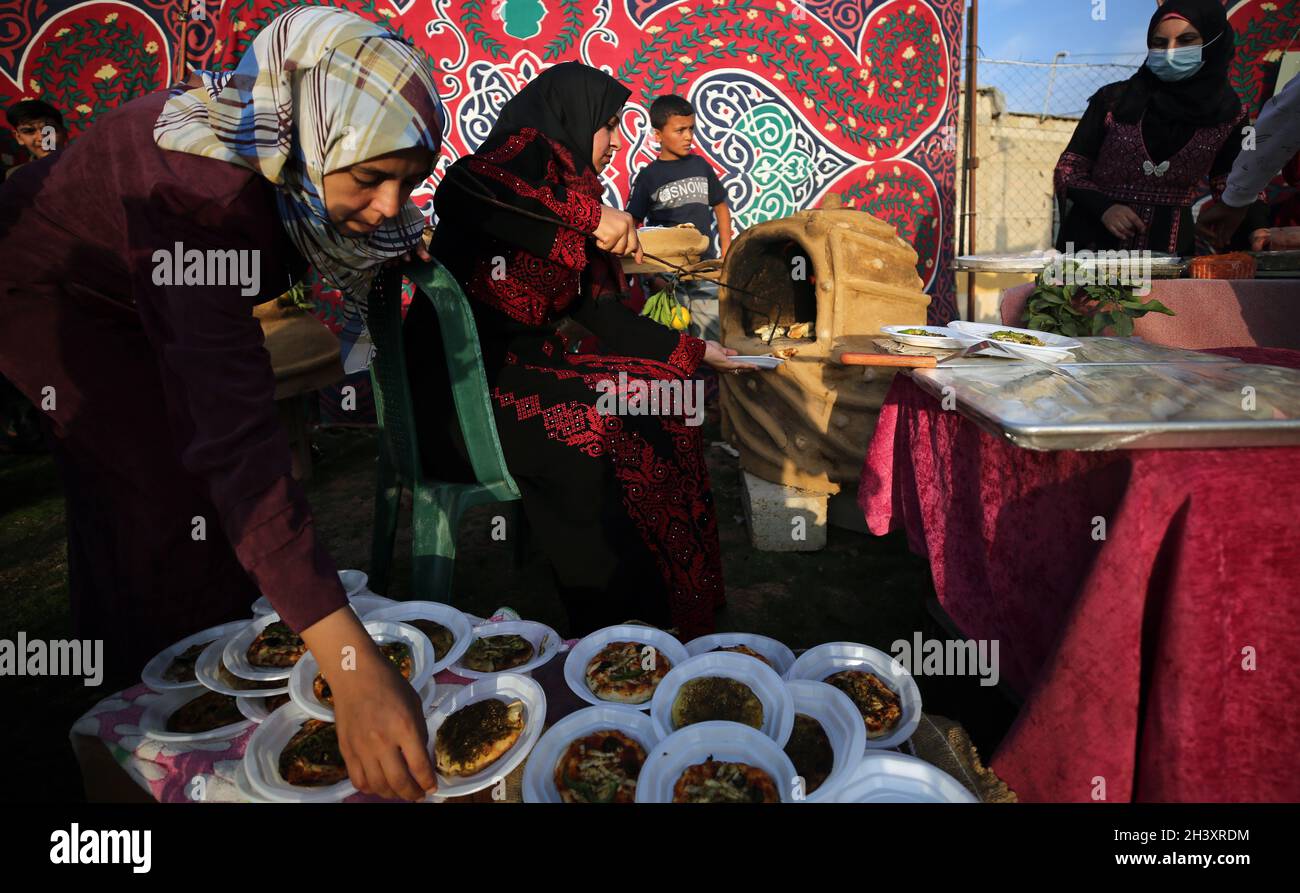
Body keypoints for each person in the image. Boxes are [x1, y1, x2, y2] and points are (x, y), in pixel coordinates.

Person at [0, 7, 444, 802]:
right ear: (311, 138)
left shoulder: (283, 139)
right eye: (370, 177)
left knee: (192, 503)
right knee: (152, 491)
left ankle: (204, 666)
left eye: (408, 180)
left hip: (136, 282)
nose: (389, 205)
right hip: (54, 293)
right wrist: (349, 661)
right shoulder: (199, 202)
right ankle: (149, 743)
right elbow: (234, 438)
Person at [407, 63, 757, 640]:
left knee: (669, 399)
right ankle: (618, 628)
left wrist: (698, 352)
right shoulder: (505, 166)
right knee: (599, 425)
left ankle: (682, 603)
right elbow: (463, 190)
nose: (617, 141)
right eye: (609, 125)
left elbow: (600, 314)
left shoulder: (572, 192)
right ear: (570, 119)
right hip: (462, 393)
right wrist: (589, 218)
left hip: (527, 370)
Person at [1053, 0, 1270, 256]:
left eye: (1186, 40)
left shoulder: (1230, 115)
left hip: (1171, 251)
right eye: (1159, 43)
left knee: (1169, 298)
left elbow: (1238, 180)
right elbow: (1069, 169)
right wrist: (1105, 207)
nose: (1170, 52)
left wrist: (1258, 229)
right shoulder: (1114, 101)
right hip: (1093, 245)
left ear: (1214, 42)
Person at [1198, 74, 1300, 251]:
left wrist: (1237, 201)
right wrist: (1237, 201)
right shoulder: (1133, 103)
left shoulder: (1227, 108)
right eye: (1158, 44)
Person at [628, 94, 733, 261]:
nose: (688, 136)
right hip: (666, 267)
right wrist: (650, 274)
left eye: (691, 128)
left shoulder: (700, 166)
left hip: (704, 264)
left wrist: (727, 254)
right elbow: (632, 225)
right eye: (680, 130)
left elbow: (721, 207)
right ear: (657, 135)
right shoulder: (648, 176)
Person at [4, 99, 68, 179]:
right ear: (19, 137)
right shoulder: (16, 176)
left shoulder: (85, 164)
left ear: (64, 133)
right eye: (29, 131)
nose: (42, 138)